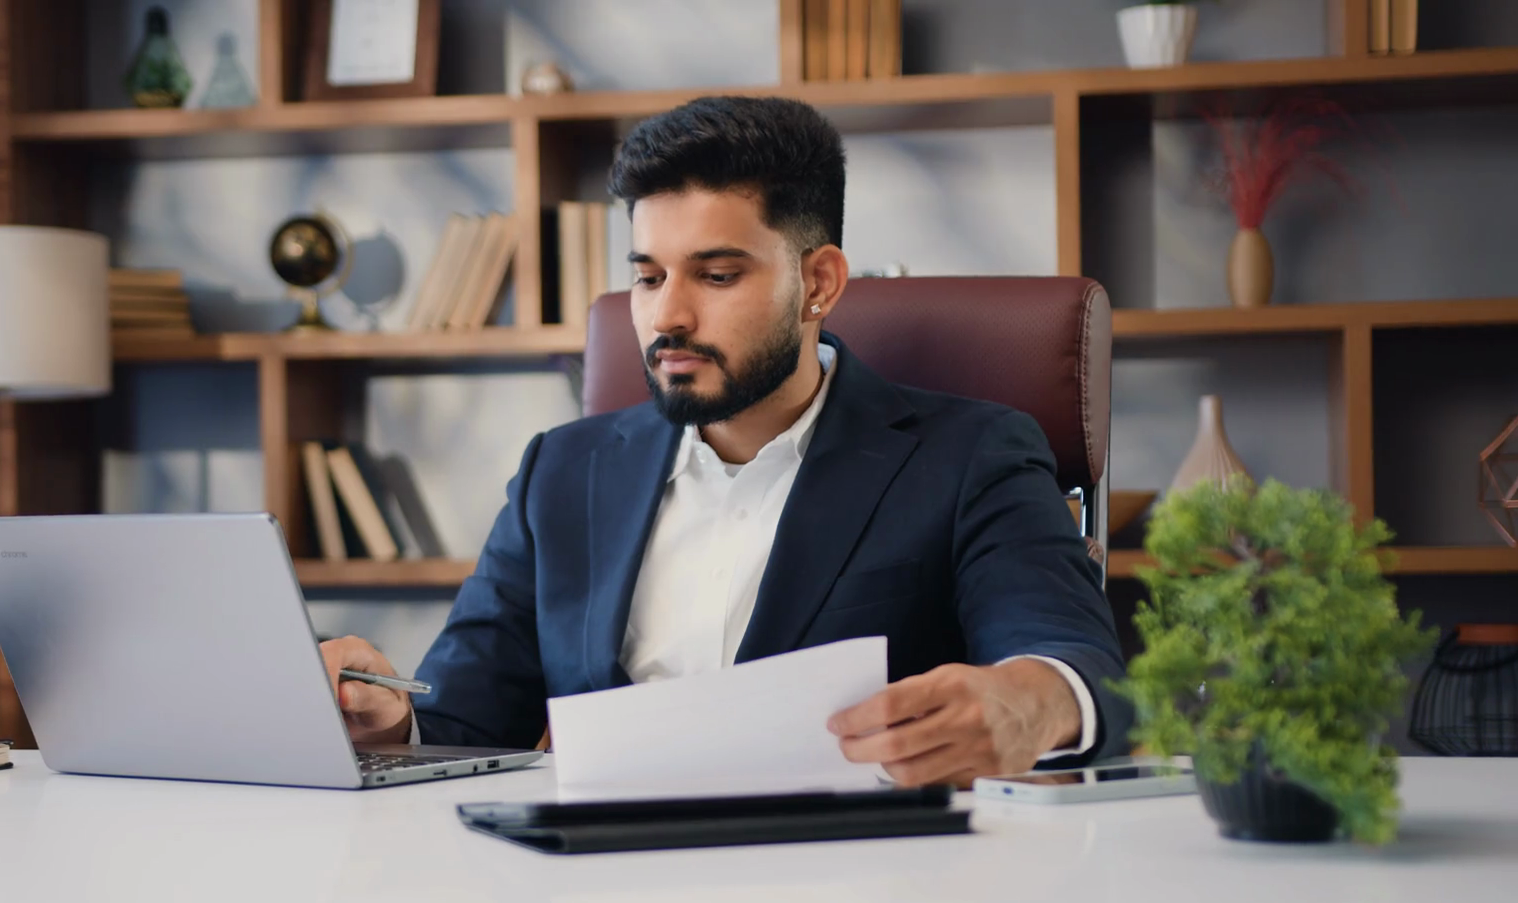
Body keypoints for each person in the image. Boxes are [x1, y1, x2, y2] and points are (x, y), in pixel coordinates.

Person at [320, 96, 1131, 786]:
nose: (667, 314)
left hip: (859, 896)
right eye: (647, 276)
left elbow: (1076, 663)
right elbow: (461, 720)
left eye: (715, 275)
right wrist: (388, 719)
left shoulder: (969, 456)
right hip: (593, 900)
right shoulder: (560, 473)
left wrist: (1032, 701)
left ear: (818, 283)